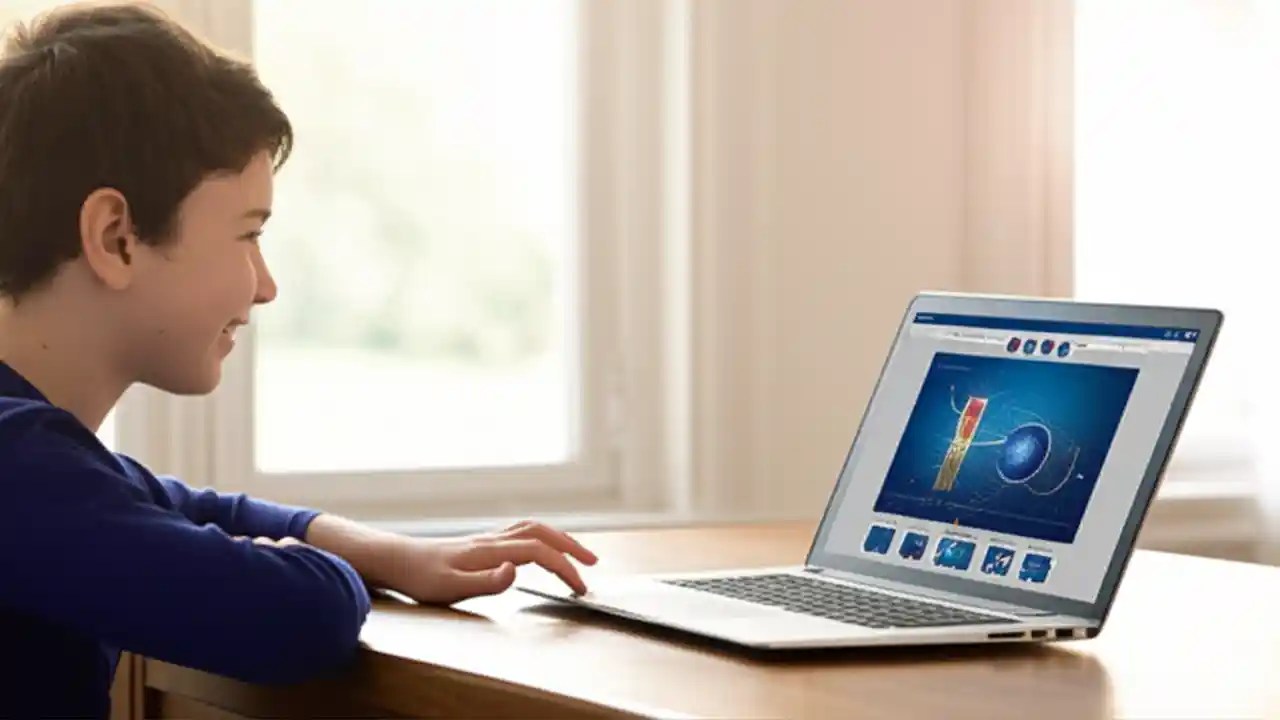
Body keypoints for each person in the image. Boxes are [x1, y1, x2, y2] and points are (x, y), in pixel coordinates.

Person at [0, 3, 597, 716]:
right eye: (247, 235)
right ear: (117, 238)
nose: (266, 284)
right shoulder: (16, 468)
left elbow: (178, 506)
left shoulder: (34, 460)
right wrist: (319, 569)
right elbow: (294, 619)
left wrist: (391, 554)